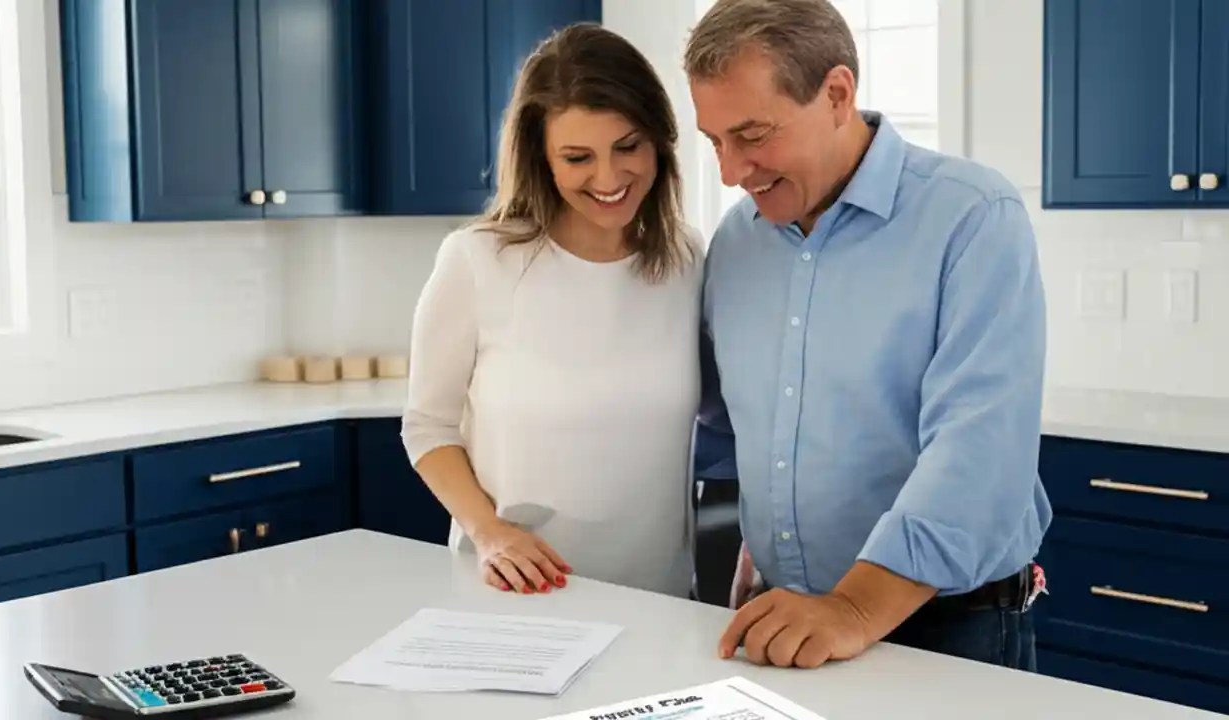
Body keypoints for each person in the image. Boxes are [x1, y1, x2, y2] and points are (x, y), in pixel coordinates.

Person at [683, 0, 1052, 671]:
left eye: (753, 135)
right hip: (784, 619)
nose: (731, 172)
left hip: (947, 629)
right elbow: (725, 433)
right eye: (715, 141)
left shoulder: (972, 218)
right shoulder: (736, 243)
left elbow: (979, 456)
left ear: (836, 93)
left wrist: (852, 609)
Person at [401, 23, 704, 599]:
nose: (609, 177)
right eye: (577, 157)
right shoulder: (477, 260)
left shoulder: (686, 259)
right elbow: (427, 427)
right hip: (517, 593)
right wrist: (487, 531)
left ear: (660, 142)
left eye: (628, 146)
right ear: (541, 157)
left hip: (660, 600)